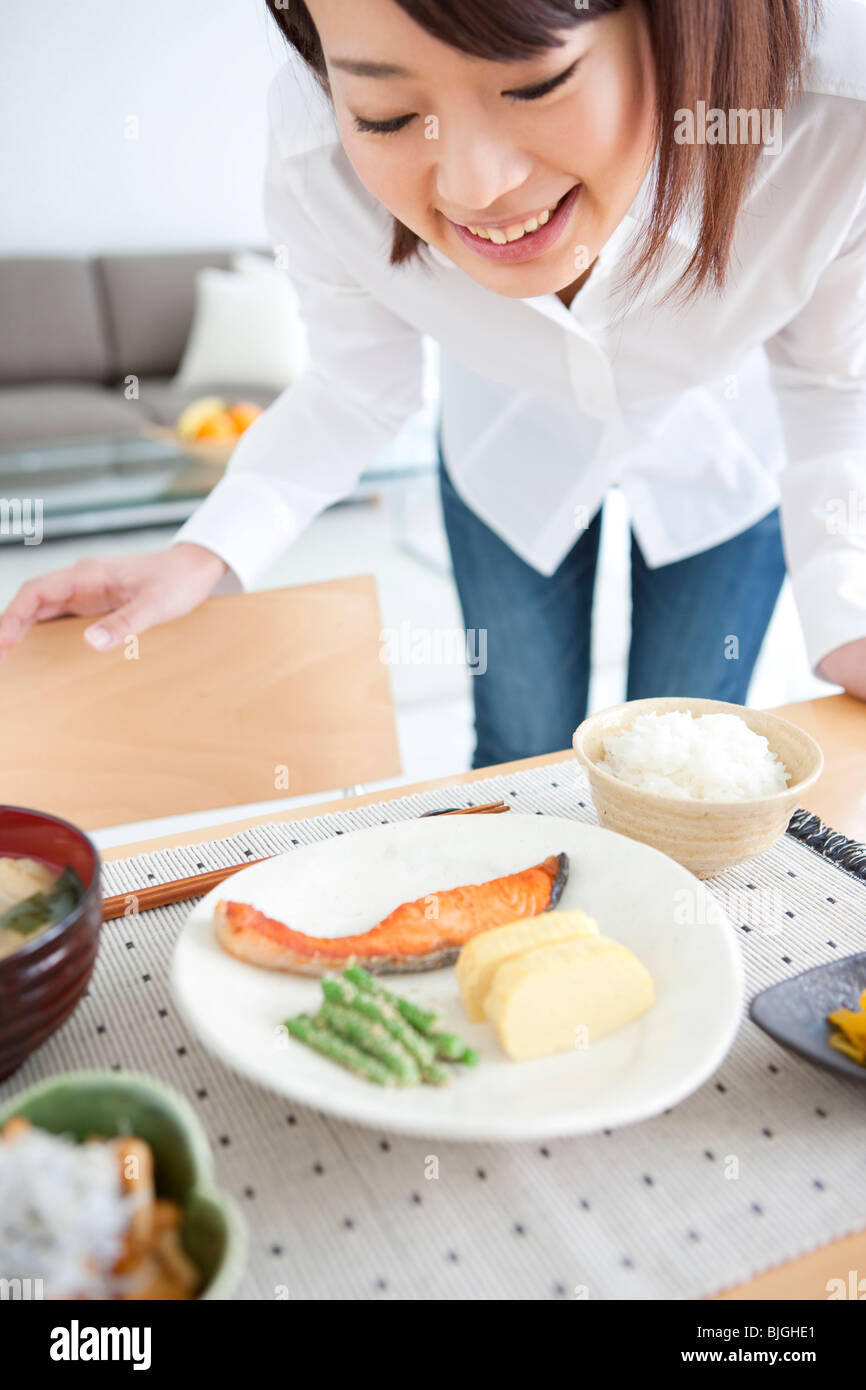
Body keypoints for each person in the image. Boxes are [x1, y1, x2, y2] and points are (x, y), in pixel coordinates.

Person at [2, 0, 865, 768]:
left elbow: (834, 386)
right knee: (517, 747)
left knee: (684, 755)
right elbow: (354, 386)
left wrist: (847, 606)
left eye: (536, 85)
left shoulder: (836, 111)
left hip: (721, 450)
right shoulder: (314, 147)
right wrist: (203, 552)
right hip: (507, 449)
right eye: (387, 113)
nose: (475, 187)